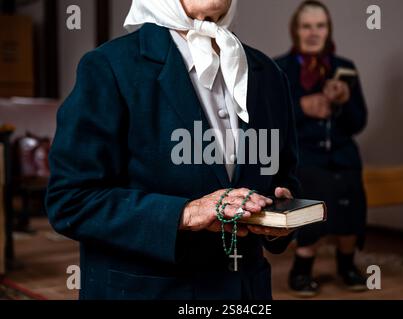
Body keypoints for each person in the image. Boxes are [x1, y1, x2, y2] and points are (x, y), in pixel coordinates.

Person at [45, 0, 300, 300]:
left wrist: (275, 215)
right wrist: (187, 213)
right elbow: (71, 201)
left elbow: (284, 175)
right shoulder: (109, 66)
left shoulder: (267, 73)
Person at [275, 0, 368, 297]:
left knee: (352, 195)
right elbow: (271, 122)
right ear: (295, 30)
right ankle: (301, 269)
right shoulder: (281, 69)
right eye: (306, 26)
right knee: (320, 196)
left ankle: (347, 265)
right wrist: (301, 108)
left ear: (328, 30)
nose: (314, 32)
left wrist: (343, 102)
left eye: (320, 26)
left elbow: (359, 122)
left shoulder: (345, 68)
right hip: (304, 157)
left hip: (343, 155)